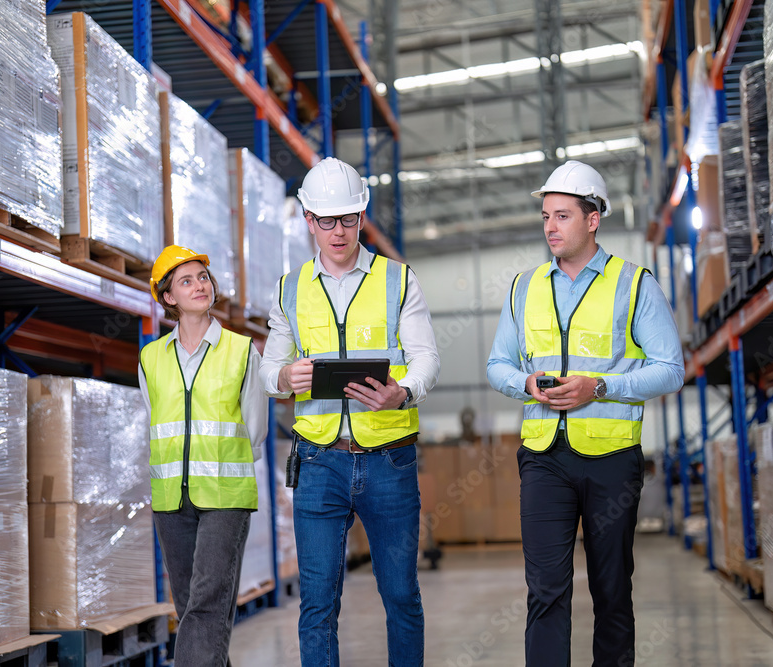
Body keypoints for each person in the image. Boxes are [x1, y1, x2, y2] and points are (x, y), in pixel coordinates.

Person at [486, 161, 684, 667]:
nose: (550, 227)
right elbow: (497, 364)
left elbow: (671, 370)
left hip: (611, 460)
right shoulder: (524, 287)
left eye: (563, 216)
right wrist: (525, 383)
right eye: (546, 216)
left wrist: (600, 386)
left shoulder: (634, 284)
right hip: (544, 458)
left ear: (593, 219)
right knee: (545, 589)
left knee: (611, 588)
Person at [259, 157, 440, 667]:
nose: (337, 232)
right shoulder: (289, 289)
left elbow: (426, 356)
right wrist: (283, 378)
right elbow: (268, 368)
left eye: (347, 219)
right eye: (325, 221)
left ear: (362, 216)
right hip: (318, 463)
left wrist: (401, 392)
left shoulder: (398, 280)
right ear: (308, 220)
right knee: (318, 603)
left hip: (390, 460)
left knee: (401, 597)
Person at [139, 245, 267, 667]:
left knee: (206, 604)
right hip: (172, 501)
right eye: (186, 280)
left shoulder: (241, 350)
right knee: (192, 608)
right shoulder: (150, 358)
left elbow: (256, 428)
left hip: (225, 496)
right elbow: (154, 419)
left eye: (204, 277)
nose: (200, 285)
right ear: (169, 298)